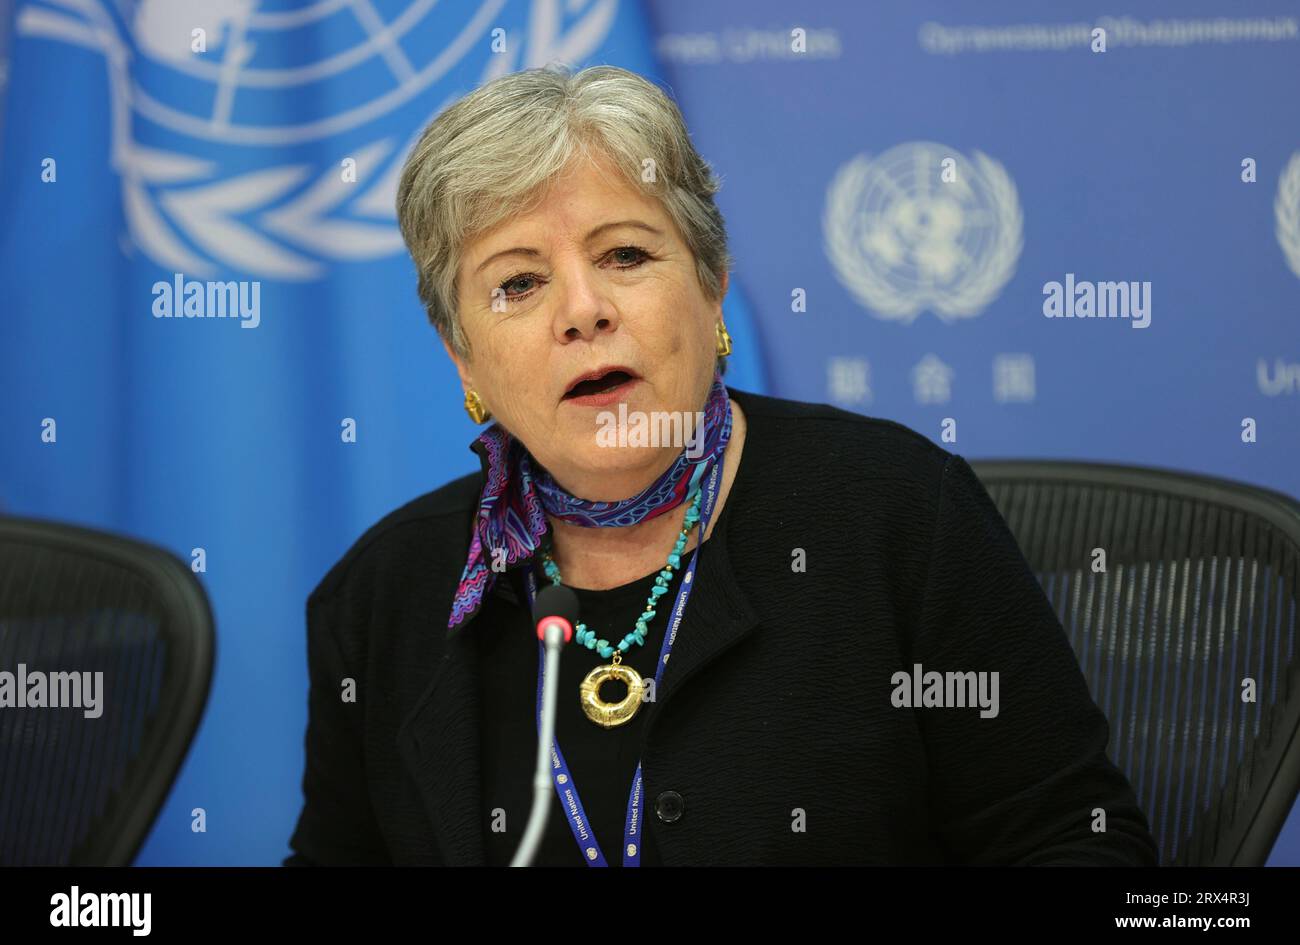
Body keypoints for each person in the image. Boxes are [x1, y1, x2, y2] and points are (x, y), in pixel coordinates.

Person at [284, 64, 1157, 866]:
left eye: (625, 255)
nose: (583, 311)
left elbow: (1073, 843)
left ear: (711, 284)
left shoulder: (897, 514)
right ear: (462, 357)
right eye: (518, 284)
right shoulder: (382, 597)